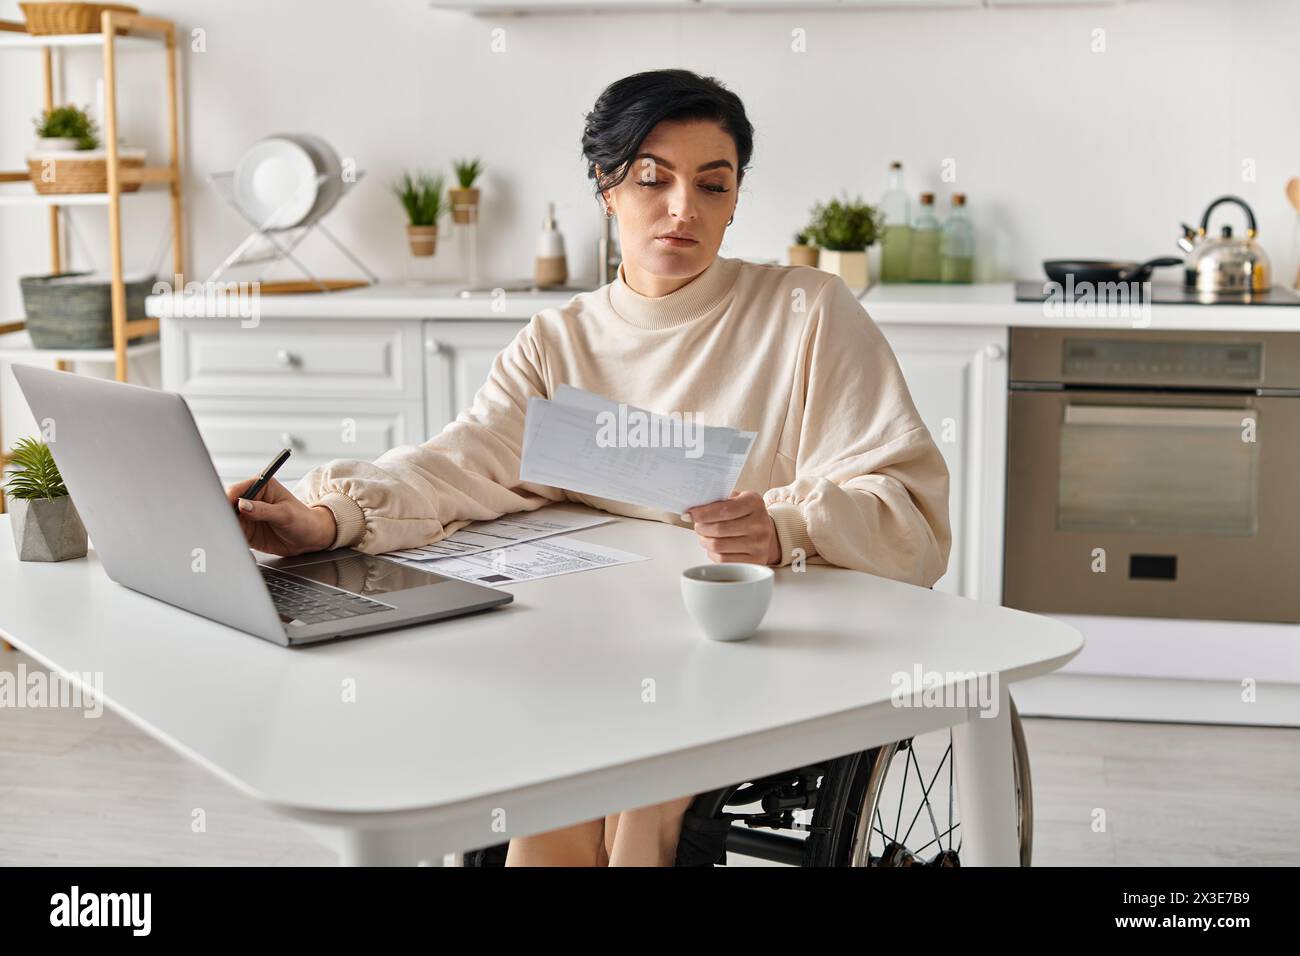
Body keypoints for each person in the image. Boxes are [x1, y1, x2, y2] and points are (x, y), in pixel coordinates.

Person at [224, 68, 952, 867]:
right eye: (652, 178)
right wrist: (325, 519)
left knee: (636, 780)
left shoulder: (806, 313)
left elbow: (905, 509)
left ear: (736, 199)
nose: (684, 208)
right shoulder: (558, 341)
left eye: (713, 185)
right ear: (606, 189)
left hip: (746, 642)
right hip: (592, 633)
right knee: (550, 776)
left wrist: (782, 526)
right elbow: (461, 462)